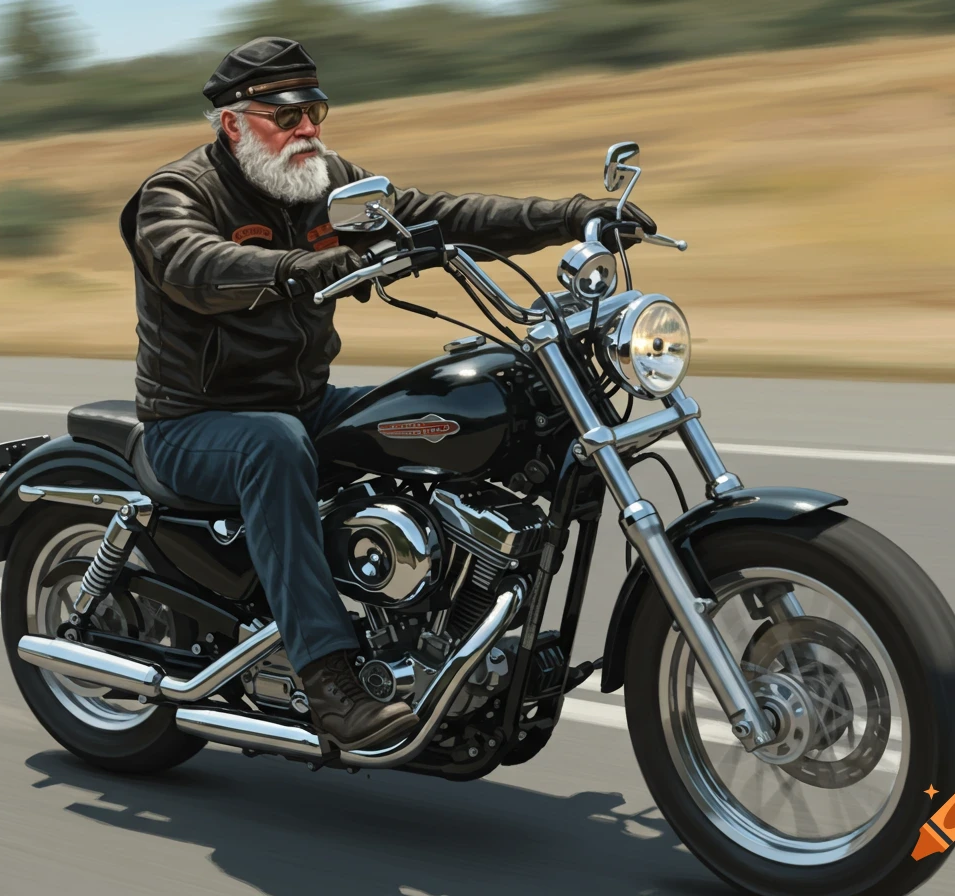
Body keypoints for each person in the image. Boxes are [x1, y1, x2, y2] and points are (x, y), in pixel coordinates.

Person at [119, 36, 641, 751]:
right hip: (196, 423)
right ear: (234, 121)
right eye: (286, 115)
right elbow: (193, 263)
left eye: (315, 110)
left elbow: (438, 212)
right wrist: (294, 267)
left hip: (304, 401)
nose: (307, 129)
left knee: (472, 402)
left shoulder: (324, 180)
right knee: (274, 446)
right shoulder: (177, 193)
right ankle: (329, 678)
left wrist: (570, 215)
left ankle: (452, 623)